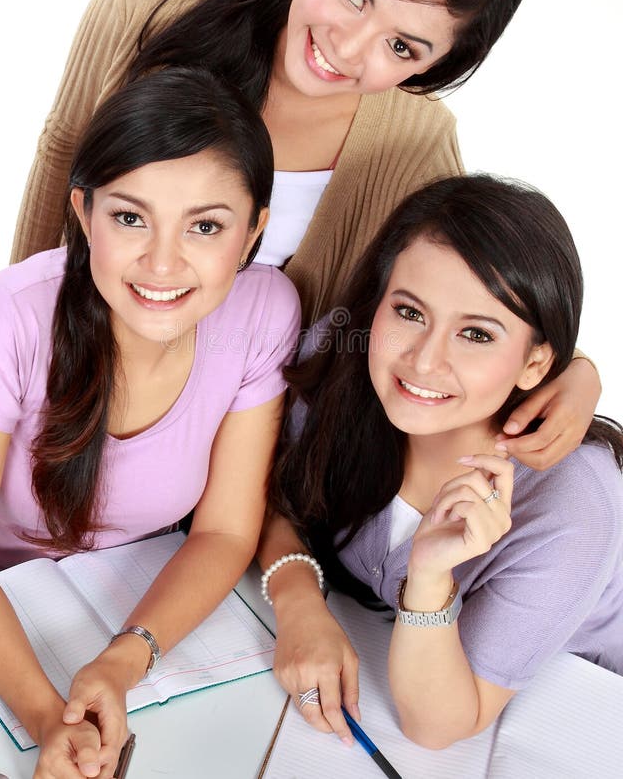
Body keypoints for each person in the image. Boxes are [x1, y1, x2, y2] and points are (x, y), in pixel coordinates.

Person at [9, 0, 600, 472]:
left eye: (401, 47)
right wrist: (16, 360)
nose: (347, 47)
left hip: (239, 471)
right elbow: (63, 163)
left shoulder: (411, 141)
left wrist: (579, 370)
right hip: (64, 408)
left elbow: (473, 289)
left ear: (437, 64)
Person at [0, 67, 301, 778]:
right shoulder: (9, 318)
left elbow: (227, 530)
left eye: (205, 226)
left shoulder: (265, 312)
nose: (164, 262)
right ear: (84, 213)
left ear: (254, 228)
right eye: (130, 217)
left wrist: (123, 656)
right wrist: (50, 715)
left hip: (112, 599)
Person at [263, 174, 623, 750]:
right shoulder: (338, 365)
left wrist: (429, 577)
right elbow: (272, 495)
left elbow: (437, 726)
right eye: (408, 312)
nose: (425, 361)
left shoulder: (571, 506)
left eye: (476, 334)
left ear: (535, 364)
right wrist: (299, 601)